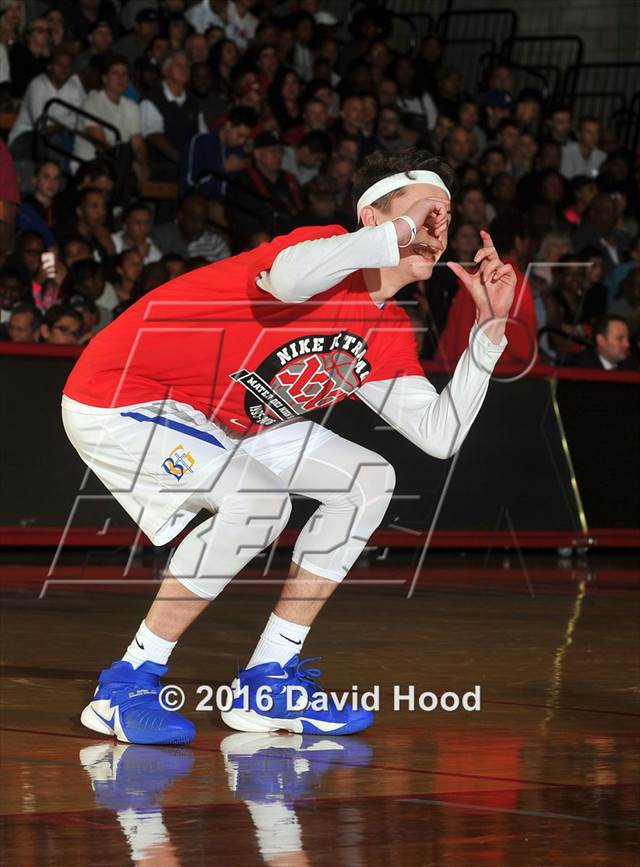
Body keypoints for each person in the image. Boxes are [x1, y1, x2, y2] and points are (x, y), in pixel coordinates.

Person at [61, 148, 515, 745]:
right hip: (123, 397)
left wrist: (487, 336)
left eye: (445, 215)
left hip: (225, 414)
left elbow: (440, 435)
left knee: (368, 480)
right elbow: (291, 279)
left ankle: (267, 679)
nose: (438, 226)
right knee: (262, 503)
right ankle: (127, 683)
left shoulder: (386, 331)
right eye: (425, 210)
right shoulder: (318, 250)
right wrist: (397, 231)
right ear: (374, 222)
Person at [436, 211, 537, 375]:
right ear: (518, 242)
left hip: (459, 378)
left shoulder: (471, 280)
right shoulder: (513, 281)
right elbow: (525, 349)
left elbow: (446, 346)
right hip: (500, 381)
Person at [73, 55, 147, 183]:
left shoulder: (132, 106)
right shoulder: (92, 103)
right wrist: (130, 163)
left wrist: (141, 162)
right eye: (116, 74)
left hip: (120, 164)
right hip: (91, 165)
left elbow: (138, 145)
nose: (121, 78)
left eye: (125, 74)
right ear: (105, 78)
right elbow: (102, 146)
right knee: (123, 152)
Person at [141, 51, 201, 181]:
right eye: (178, 65)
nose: (184, 69)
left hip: (190, 164)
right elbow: (154, 135)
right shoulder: (152, 99)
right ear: (166, 71)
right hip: (162, 166)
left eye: (186, 66)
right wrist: (181, 159)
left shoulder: (194, 101)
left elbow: (202, 135)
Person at [182, 106, 256, 200]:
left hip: (230, 205)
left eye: (246, 138)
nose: (242, 141)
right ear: (228, 125)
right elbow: (190, 183)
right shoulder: (202, 142)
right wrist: (224, 169)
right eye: (240, 135)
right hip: (199, 201)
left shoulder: (239, 150)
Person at [153, 191, 229, 261]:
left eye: (204, 221)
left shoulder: (216, 244)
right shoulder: (161, 237)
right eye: (195, 220)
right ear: (180, 216)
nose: (200, 226)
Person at [566, 315, 637, 370]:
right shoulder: (578, 367)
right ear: (601, 340)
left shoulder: (632, 365)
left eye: (627, 338)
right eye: (620, 339)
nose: (627, 344)